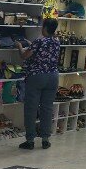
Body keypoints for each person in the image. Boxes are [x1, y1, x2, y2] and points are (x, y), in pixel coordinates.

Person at [17, 17, 60, 150]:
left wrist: (19, 47)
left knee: (31, 108)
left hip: (37, 77)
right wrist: (32, 45)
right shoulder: (57, 41)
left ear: (45, 28)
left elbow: (24, 56)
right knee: (47, 108)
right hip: (53, 77)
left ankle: (30, 140)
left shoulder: (39, 41)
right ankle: (45, 139)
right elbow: (43, 51)